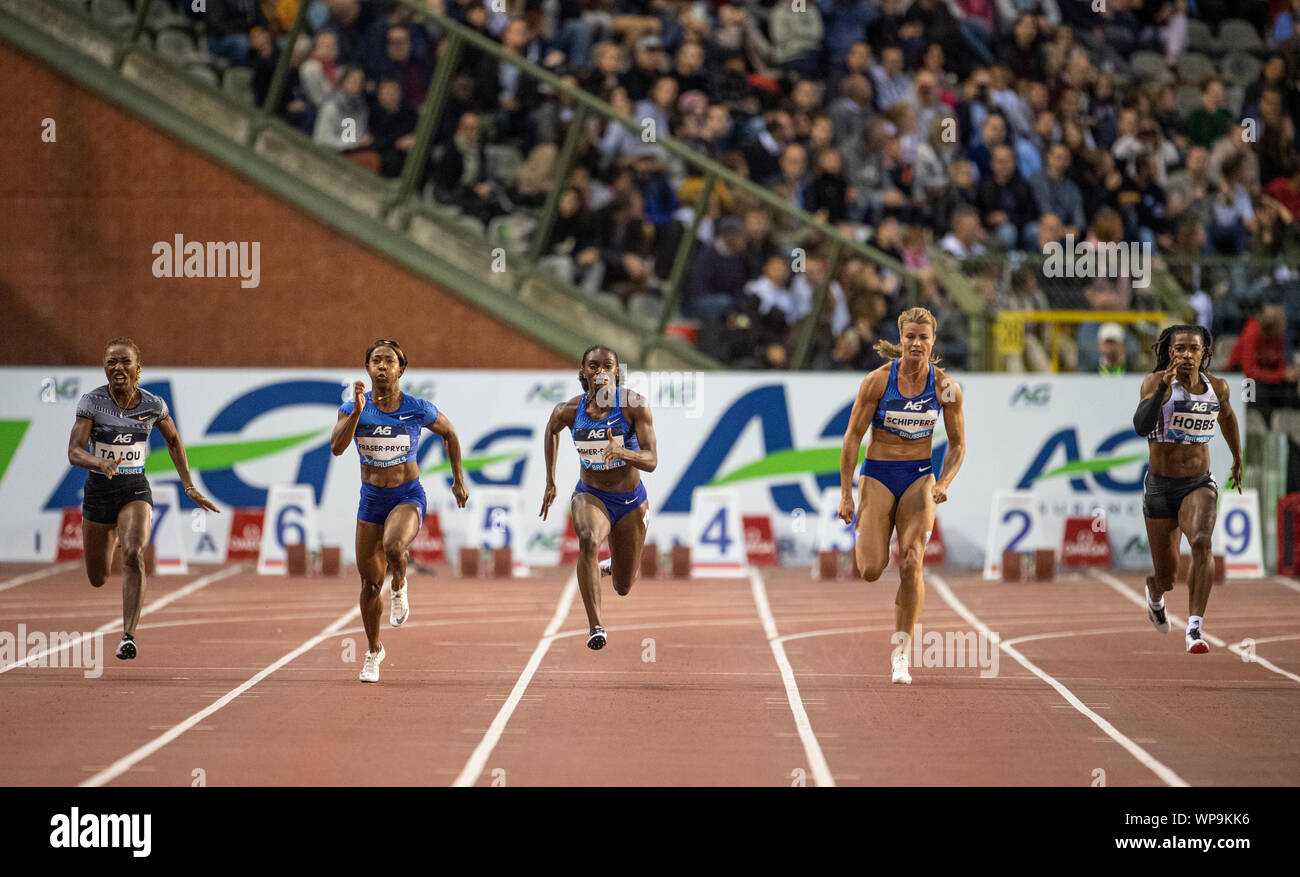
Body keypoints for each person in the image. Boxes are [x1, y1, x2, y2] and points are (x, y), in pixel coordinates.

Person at [65, 339, 220, 660]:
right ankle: (115, 532)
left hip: (134, 487)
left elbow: (174, 440)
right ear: (104, 367)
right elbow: (74, 451)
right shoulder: (91, 403)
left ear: (138, 368)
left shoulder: (153, 405)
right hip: (99, 491)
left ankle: (128, 636)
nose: (118, 368)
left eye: (124, 362)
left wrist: (189, 486)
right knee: (98, 578)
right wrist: (100, 462)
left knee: (135, 553)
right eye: (111, 362)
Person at [838, 308, 967, 684]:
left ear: (933, 341)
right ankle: (872, 531)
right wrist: (846, 494)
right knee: (871, 570)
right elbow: (852, 438)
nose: (916, 343)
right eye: (909, 336)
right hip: (878, 474)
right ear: (900, 339)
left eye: (923, 337)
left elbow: (958, 445)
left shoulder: (945, 388)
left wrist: (943, 482)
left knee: (912, 562)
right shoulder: (878, 382)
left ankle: (902, 653)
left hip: (918, 478)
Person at [331, 340, 469, 682]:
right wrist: (358, 412)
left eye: (388, 361)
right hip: (371, 501)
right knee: (368, 584)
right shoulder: (352, 408)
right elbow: (336, 448)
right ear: (367, 368)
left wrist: (458, 480)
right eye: (375, 360)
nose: (381, 366)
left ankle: (401, 585)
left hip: (407, 495)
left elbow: (450, 433)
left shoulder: (417, 408)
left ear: (400, 370)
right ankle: (374, 651)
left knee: (394, 546)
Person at [1132, 326, 1243, 654]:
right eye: (1179, 348)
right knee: (1166, 577)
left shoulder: (1217, 388)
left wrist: (1237, 459)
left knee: (1201, 541)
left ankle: (1194, 628)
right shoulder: (1154, 383)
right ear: (1169, 352)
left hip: (1197, 483)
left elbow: (1228, 419)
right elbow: (1140, 426)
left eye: (1193, 349)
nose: (1186, 355)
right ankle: (1155, 596)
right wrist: (1163, 388)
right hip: (1160, 488)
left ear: (1203, 354)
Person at [540, 345, 658, 650]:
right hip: (591, 495)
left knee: (623, 586)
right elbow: (552, 429)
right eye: (593, 366)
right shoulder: (570, 410)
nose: (601, 372)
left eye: (608, 366)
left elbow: (652, 460)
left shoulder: (634, 406)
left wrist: (623, 452)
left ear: (617, 372)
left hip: (631, 501)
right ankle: (596, 626)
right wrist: (551, 480)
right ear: (583, 372)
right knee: (589, 539)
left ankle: (611, 566)